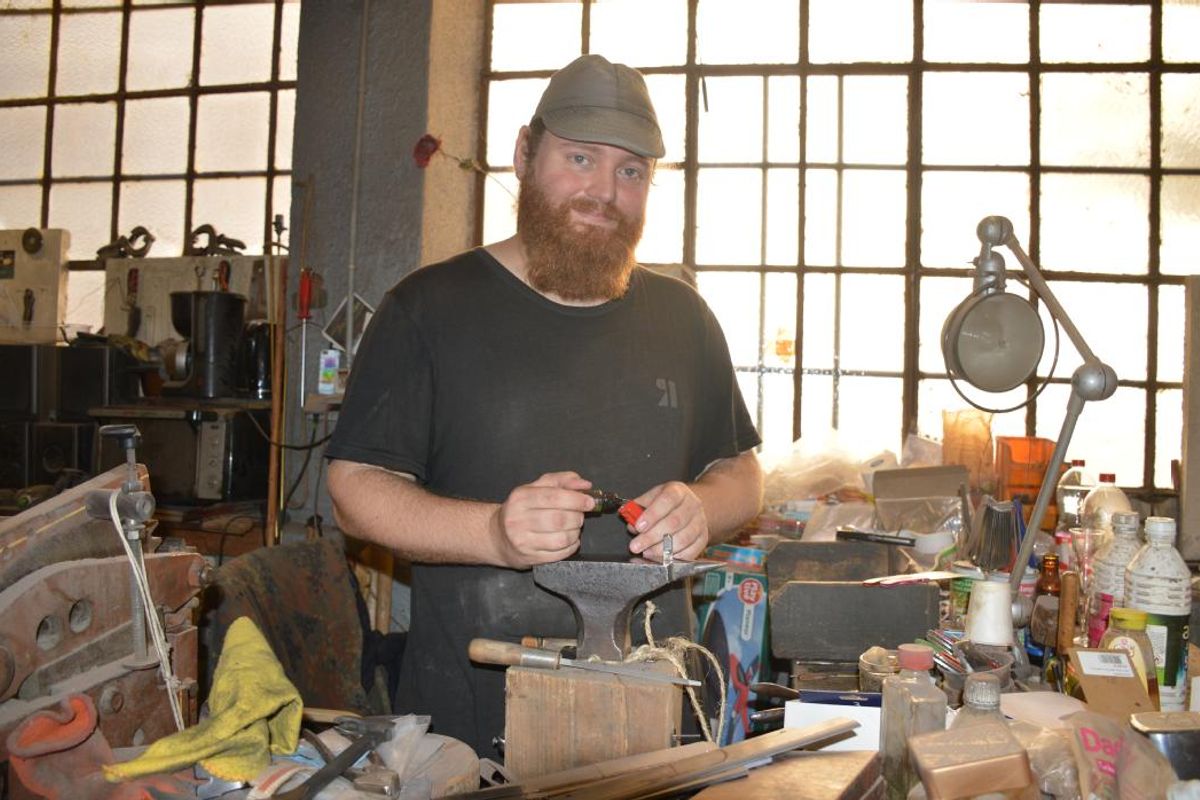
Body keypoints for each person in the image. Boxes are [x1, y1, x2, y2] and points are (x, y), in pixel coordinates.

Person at [325, 54, 763, 758]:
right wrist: (495, 534)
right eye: (580, 158)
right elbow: (354, 492)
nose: (604, 192)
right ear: (526, 153)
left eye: (630, 172)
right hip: (467, 723)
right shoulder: (426, 310)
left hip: (653, 713)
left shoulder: (685, 317)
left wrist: (702, 506)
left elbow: (741, 471)